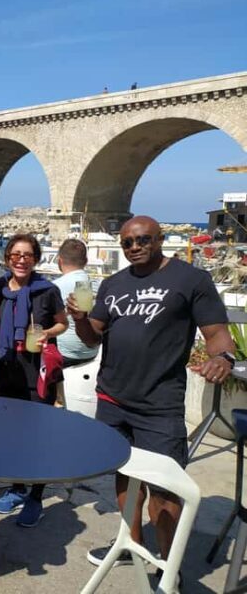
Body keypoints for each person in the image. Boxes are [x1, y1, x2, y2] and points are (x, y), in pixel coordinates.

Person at [68, 216, 235, 573]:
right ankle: (131, 543)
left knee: (164, 489)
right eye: (127, 242)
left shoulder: (191, 279)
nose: (134, 247)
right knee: (124, 474)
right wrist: (80, 320)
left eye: (142, 240)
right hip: (113, 399)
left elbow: (217, 331)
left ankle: (166, 565)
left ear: (160, 240)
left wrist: (223, 356)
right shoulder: (113, 284)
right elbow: (92, 336)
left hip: (159, 405)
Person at [0, 234, 68, 527]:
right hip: (7, 368)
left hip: (37, 369)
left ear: (35, 259)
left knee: (38, 434)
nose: (21, 260)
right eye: (15, 255)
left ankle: (35, 497)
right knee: (13, 433)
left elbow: (63, 322)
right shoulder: (0, 287)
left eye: (27, 255)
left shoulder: (46, 290)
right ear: (8, 258)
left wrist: (48, 333)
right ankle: (17, 487)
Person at [52, 239, 99, 367]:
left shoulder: (54, 287)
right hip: (91, 352)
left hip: (65, 354)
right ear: (86, 262)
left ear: (59, 261)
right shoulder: (99, 286)